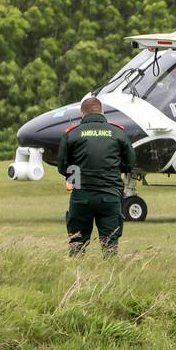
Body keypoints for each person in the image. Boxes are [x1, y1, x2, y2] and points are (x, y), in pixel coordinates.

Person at [56, 96, 135, 257]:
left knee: (77, 244)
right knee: (110, 245)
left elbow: (63, 166)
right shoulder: (118, 133)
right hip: (110, 195)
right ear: (102, 112)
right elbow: (129, 165)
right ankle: (110, 276)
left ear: (82, 113)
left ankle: (76, 276)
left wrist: (77, 176)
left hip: (81, 196)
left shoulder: (72, 134)